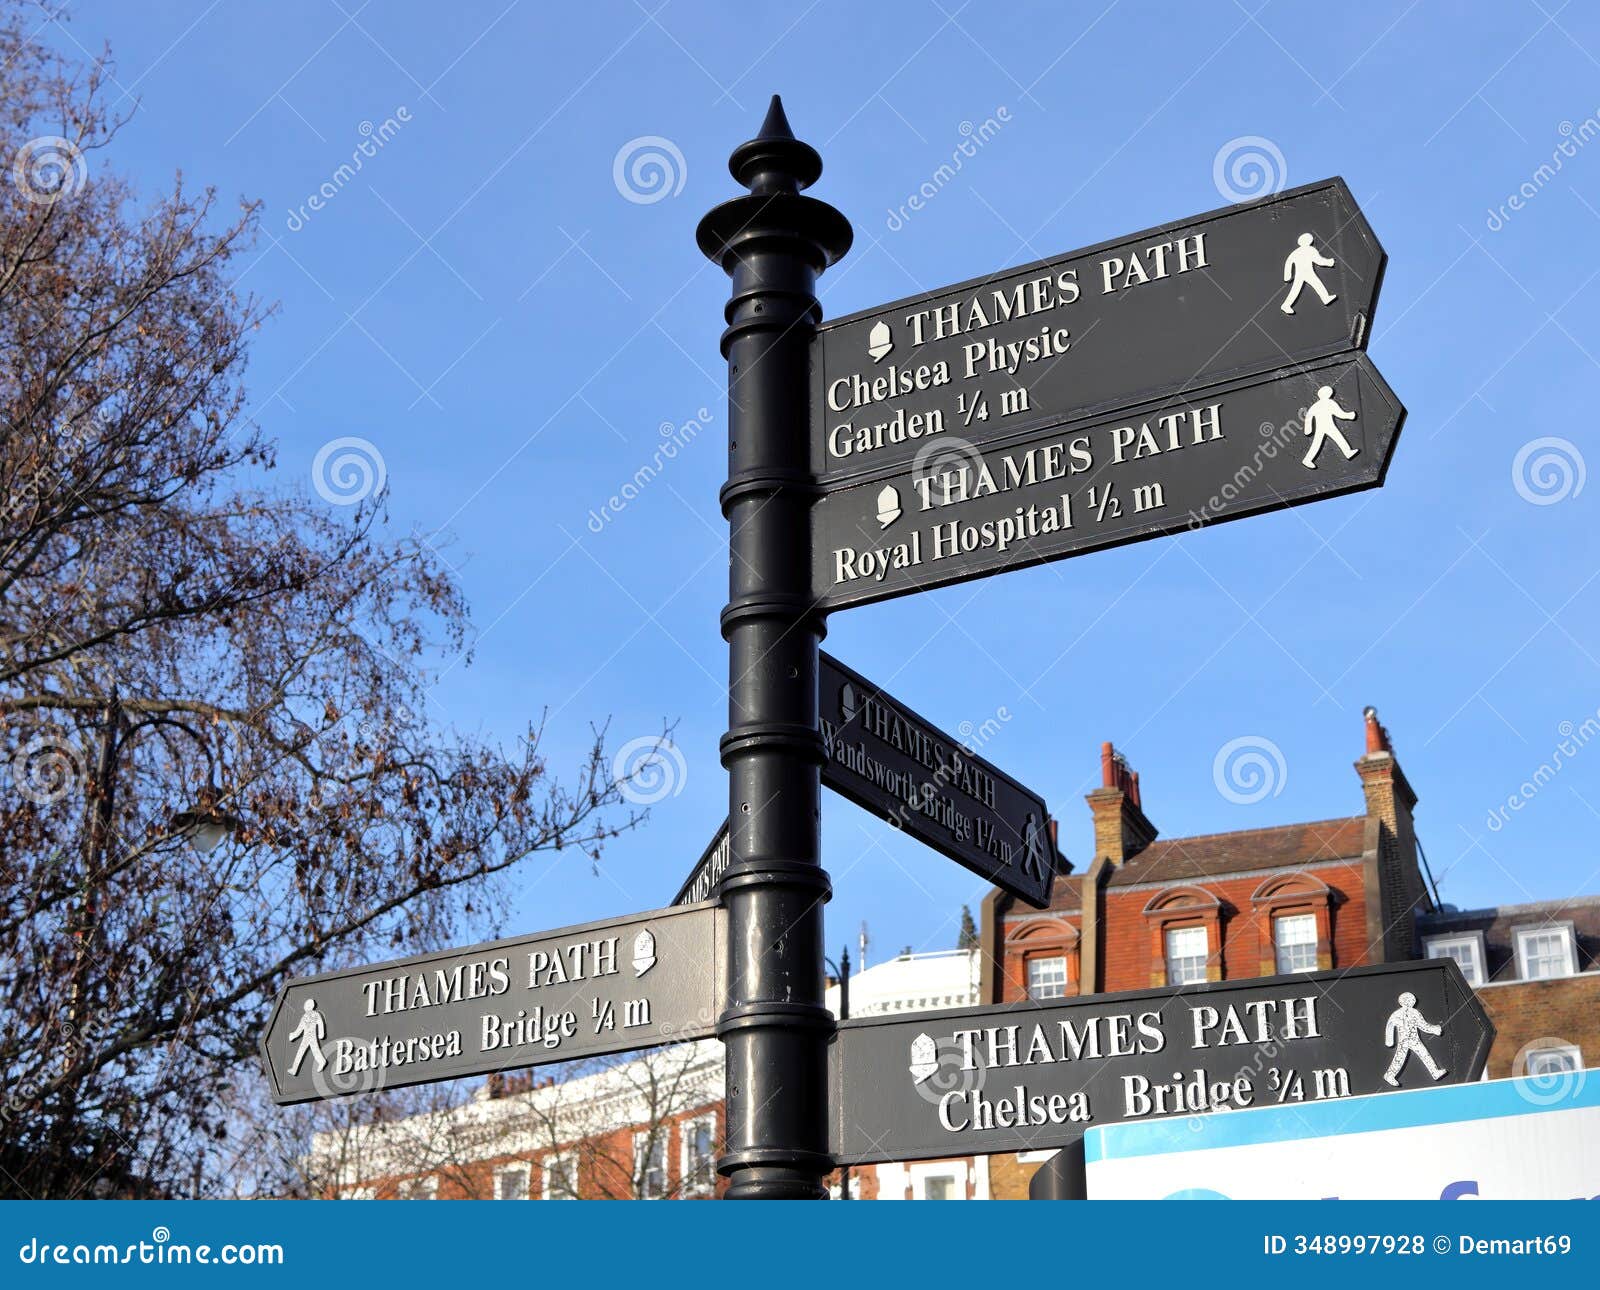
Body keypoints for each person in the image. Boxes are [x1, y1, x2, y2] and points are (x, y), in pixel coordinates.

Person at [1382, 991, 1447, 1086]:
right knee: (1403, 1057)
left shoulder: (1398, 1013)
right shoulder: (1412, 1012)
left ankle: (1435, 1072)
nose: (1410, 1001)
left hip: (1412, 1040)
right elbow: (1423, 1025)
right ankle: (1389, 1075)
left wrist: (1389, 1041)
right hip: (1408, 1040)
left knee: (1422, 1054)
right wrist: (1434, 1029)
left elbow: (1390, 1026)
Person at [1302, 385, 1359, 469]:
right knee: (1335, 439)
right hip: (1327, 426)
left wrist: (1308, 429)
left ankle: (1348, 452)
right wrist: (1350, 415)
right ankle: (1307, 460)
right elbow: (1340, 414)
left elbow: (1308, 417)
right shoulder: (1330, 403)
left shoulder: (1316, 405)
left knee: (1320, 443)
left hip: (1324, 426)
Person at [1281, 232, 1337, 314]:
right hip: (1307, 272)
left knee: (1297, 289)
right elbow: (1319, 261)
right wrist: (1329, 262)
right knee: (1316, 284)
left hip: (1301, 274)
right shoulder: (1310, 249)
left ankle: (1286, 305)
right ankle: (1325, 298)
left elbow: (1288, 263)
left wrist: (1287, 276)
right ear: (1309, 241)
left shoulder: (1295, 252)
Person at [287, 996, 329, 1076]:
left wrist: (321, 1034)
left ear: (310, 1006)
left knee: (306, 1051)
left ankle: (321, 1061)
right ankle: (295, 1069)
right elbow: (300, 1029)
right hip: (307, 1037)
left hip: (311, 1036)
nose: (305, 1007)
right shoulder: (305, 1016)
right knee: (307, 1051)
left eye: (306, 1005)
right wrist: (293, 1035)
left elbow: (320, 1023)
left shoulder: (315, 1014)